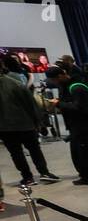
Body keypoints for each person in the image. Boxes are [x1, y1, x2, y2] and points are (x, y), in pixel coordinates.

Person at [43, 65, 88, 187]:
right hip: (75, 126)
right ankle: (86, 176)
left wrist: (60, 104)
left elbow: (82, 108)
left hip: (86, 126)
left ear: (61, 75)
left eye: (54, 80)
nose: (54, 83)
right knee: (79, 154)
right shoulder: (65, 87)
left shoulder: (77, 88)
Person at [0, 56, 58, 184]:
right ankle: (44, 172)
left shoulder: (14, 82)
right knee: (34, 149)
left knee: (16, 153)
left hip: (5, 128)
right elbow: (30, 104)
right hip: (25, 124)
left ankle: (27, 177)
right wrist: (38, 121)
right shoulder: (15, 83)